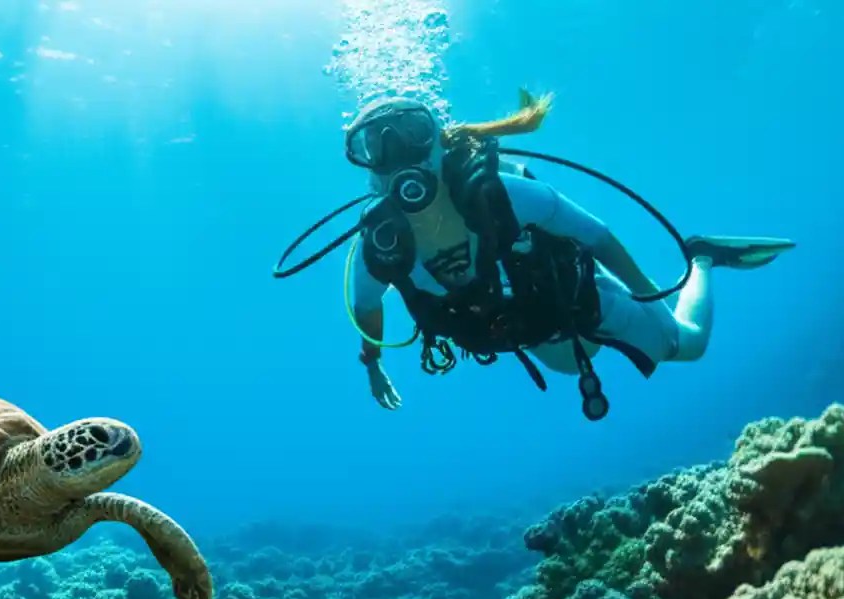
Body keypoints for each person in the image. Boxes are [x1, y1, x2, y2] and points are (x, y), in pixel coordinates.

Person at [332, 90, 795, 418]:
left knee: (687, 345)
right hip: (537, 334)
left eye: (410, 132)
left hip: (584, 301)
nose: (397, 153)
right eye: (375, 144)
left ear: (436, 138)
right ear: (366, 165)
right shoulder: (379, 248)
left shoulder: (503, 194)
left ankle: (702, 258)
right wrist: (372, 365)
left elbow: (599, 238)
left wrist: (654, 303)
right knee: (567, 366)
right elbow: (366, 306)